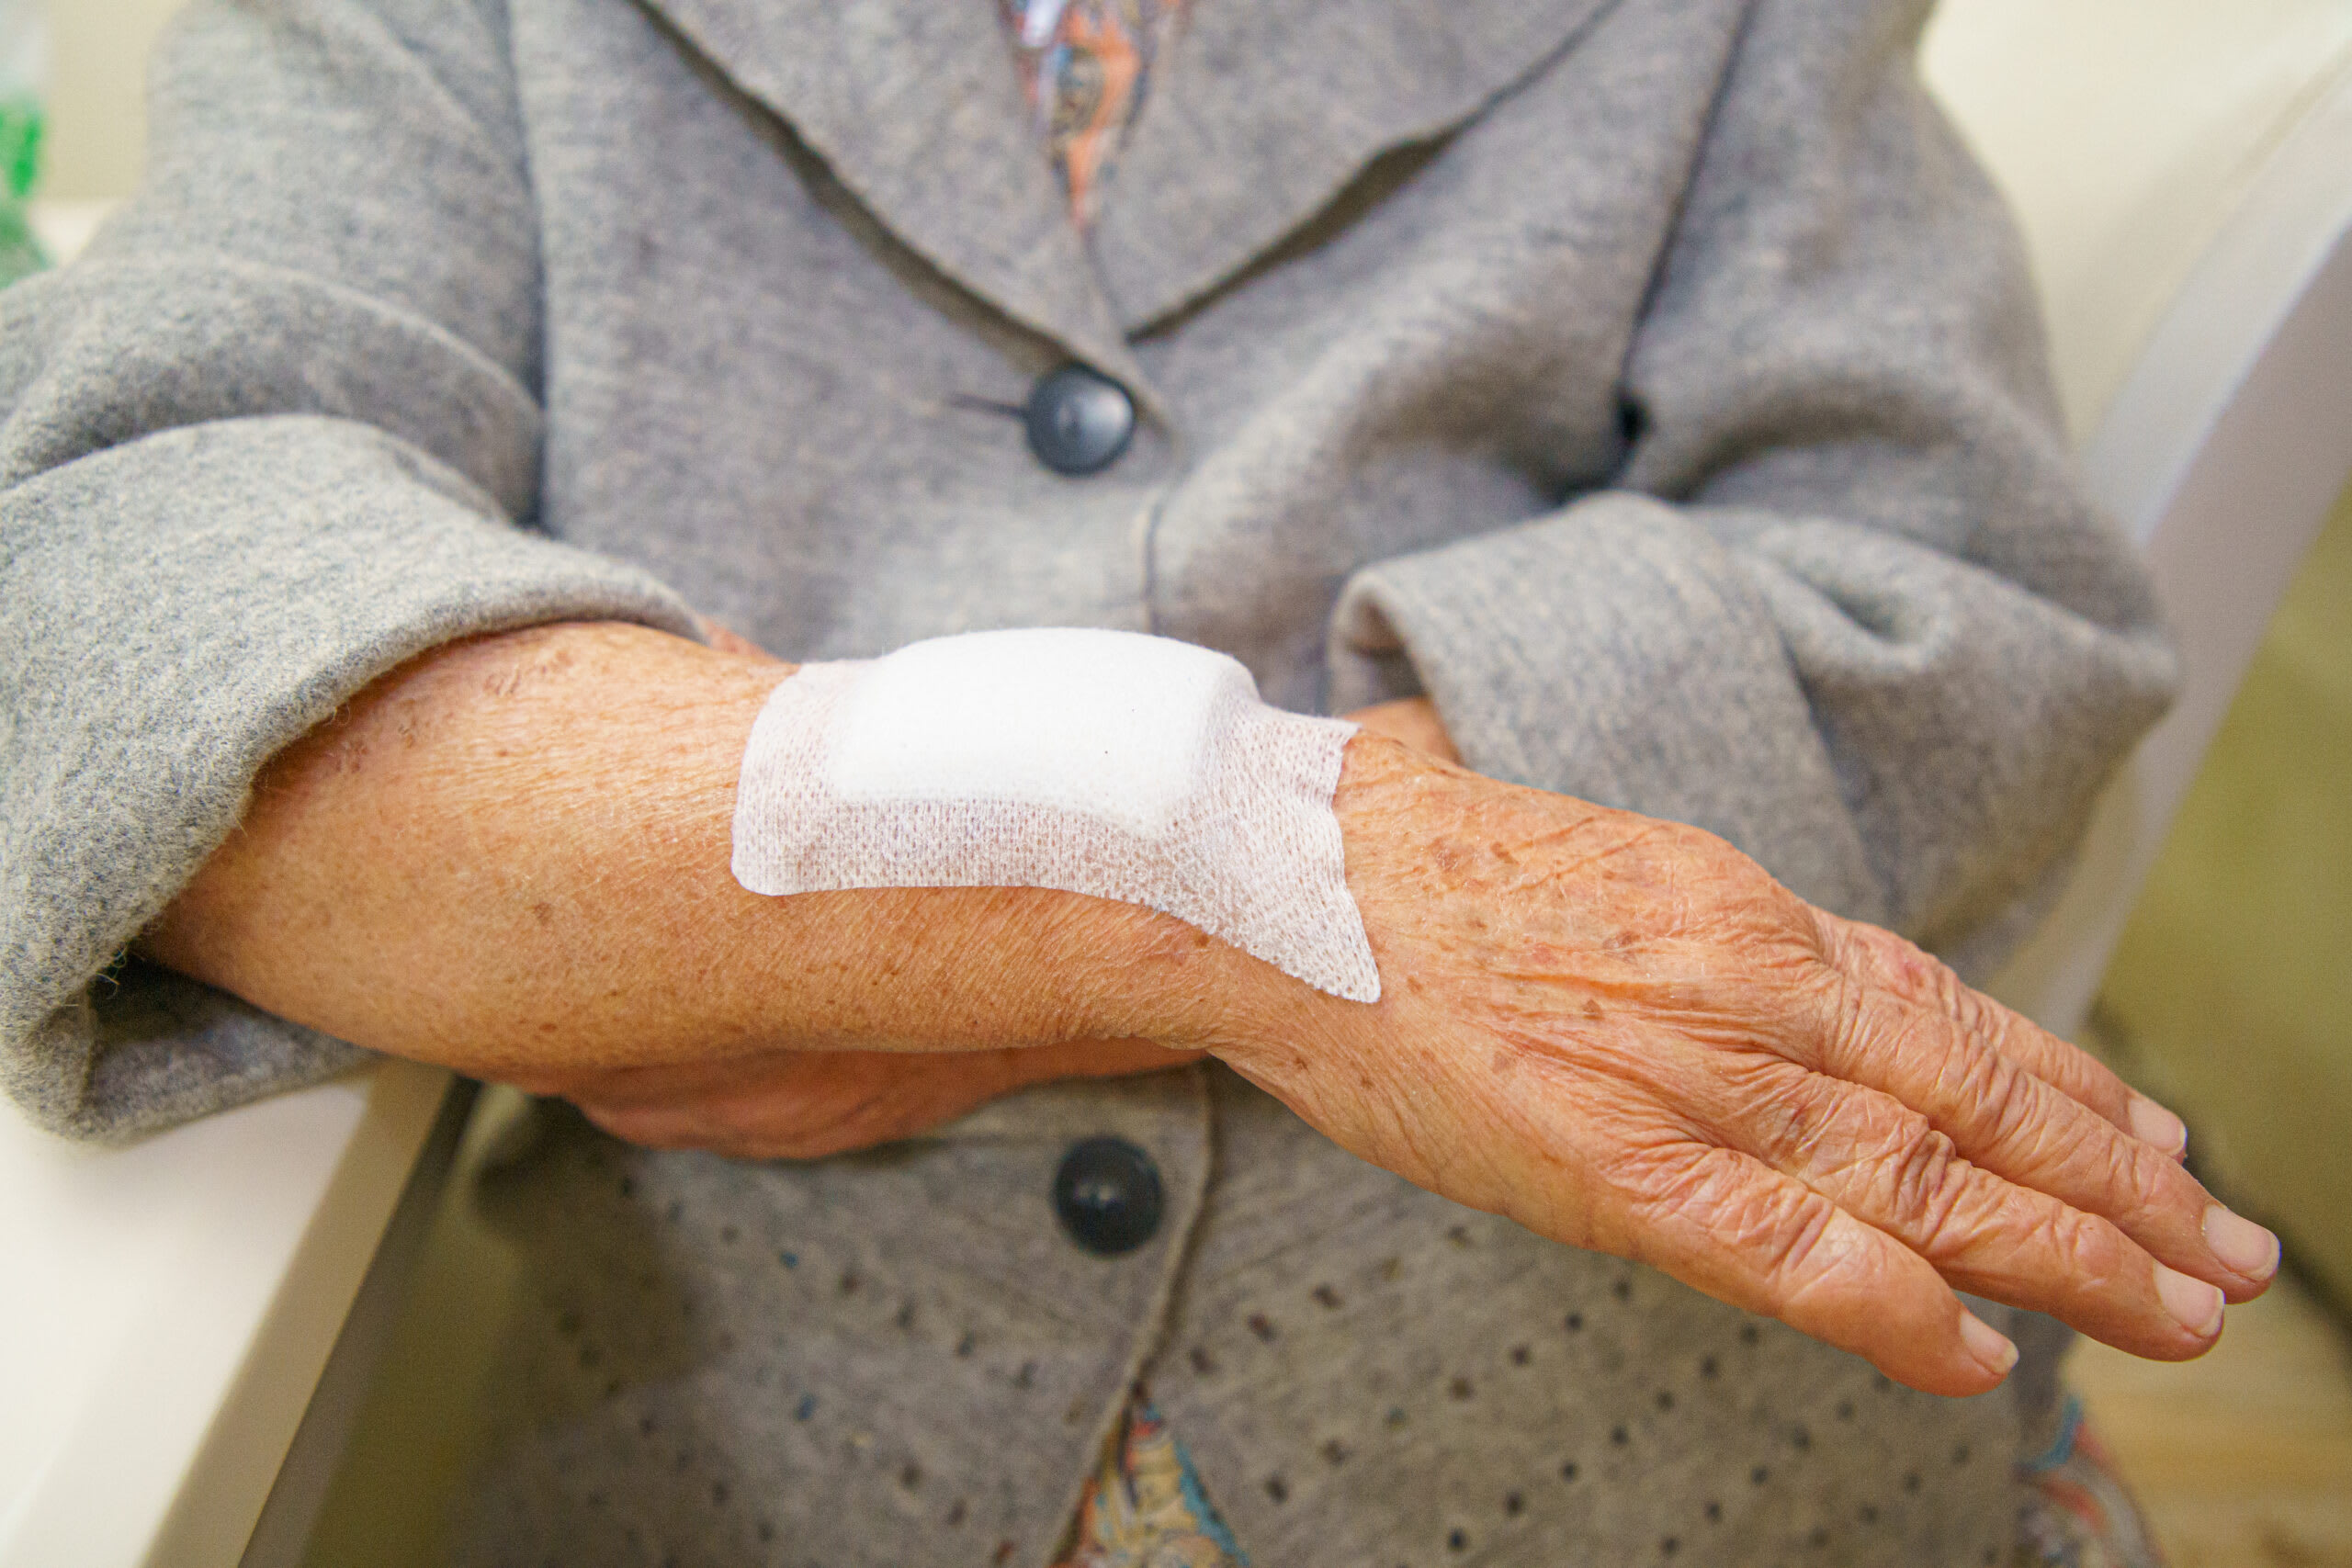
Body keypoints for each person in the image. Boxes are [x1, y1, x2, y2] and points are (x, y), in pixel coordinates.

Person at [0, 0, 2281, 1562]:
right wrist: (1191, 874)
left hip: (1618, 1412)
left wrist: (758, 869)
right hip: (771, 1431)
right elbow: (128, 602)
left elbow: (1958, 603)